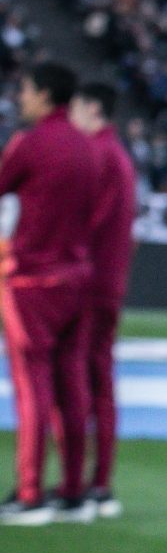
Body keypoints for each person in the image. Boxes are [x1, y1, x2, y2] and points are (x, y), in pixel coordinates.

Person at [0, 61, 98, 525]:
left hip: (33, 280)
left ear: (43, 95)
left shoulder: (32, 143)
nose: (21, 98)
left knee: (32, 385)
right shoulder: (87, 147)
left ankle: (30, 491)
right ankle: (74, 490)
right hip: (79, 277)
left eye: (26, 90)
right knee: (72, 385)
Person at [69, 81, 136, 518]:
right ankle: (96, 482)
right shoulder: (116, 155)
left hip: (89, 284)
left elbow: (85, 224)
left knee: (80, 382)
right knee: (98, 382)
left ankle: (87, 483)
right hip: (105, 281)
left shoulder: (100, 155)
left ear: (92, 108)